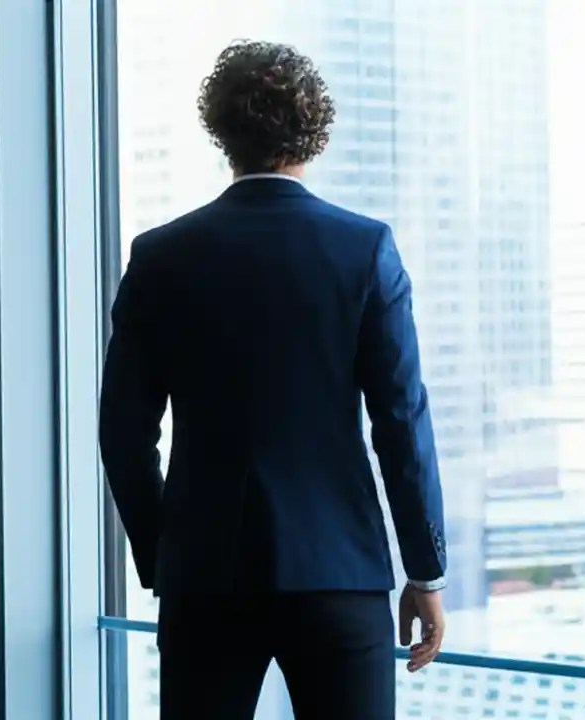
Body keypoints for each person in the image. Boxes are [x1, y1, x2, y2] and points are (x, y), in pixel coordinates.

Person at [99, 40, 446, 720]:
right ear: (313, 132)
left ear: (220, 130)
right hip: (338, 573)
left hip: (205, 577)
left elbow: (124, 432)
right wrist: (423, 570)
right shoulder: (363, 248)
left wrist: (165, 553)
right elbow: (401, 420)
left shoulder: (161, 256)